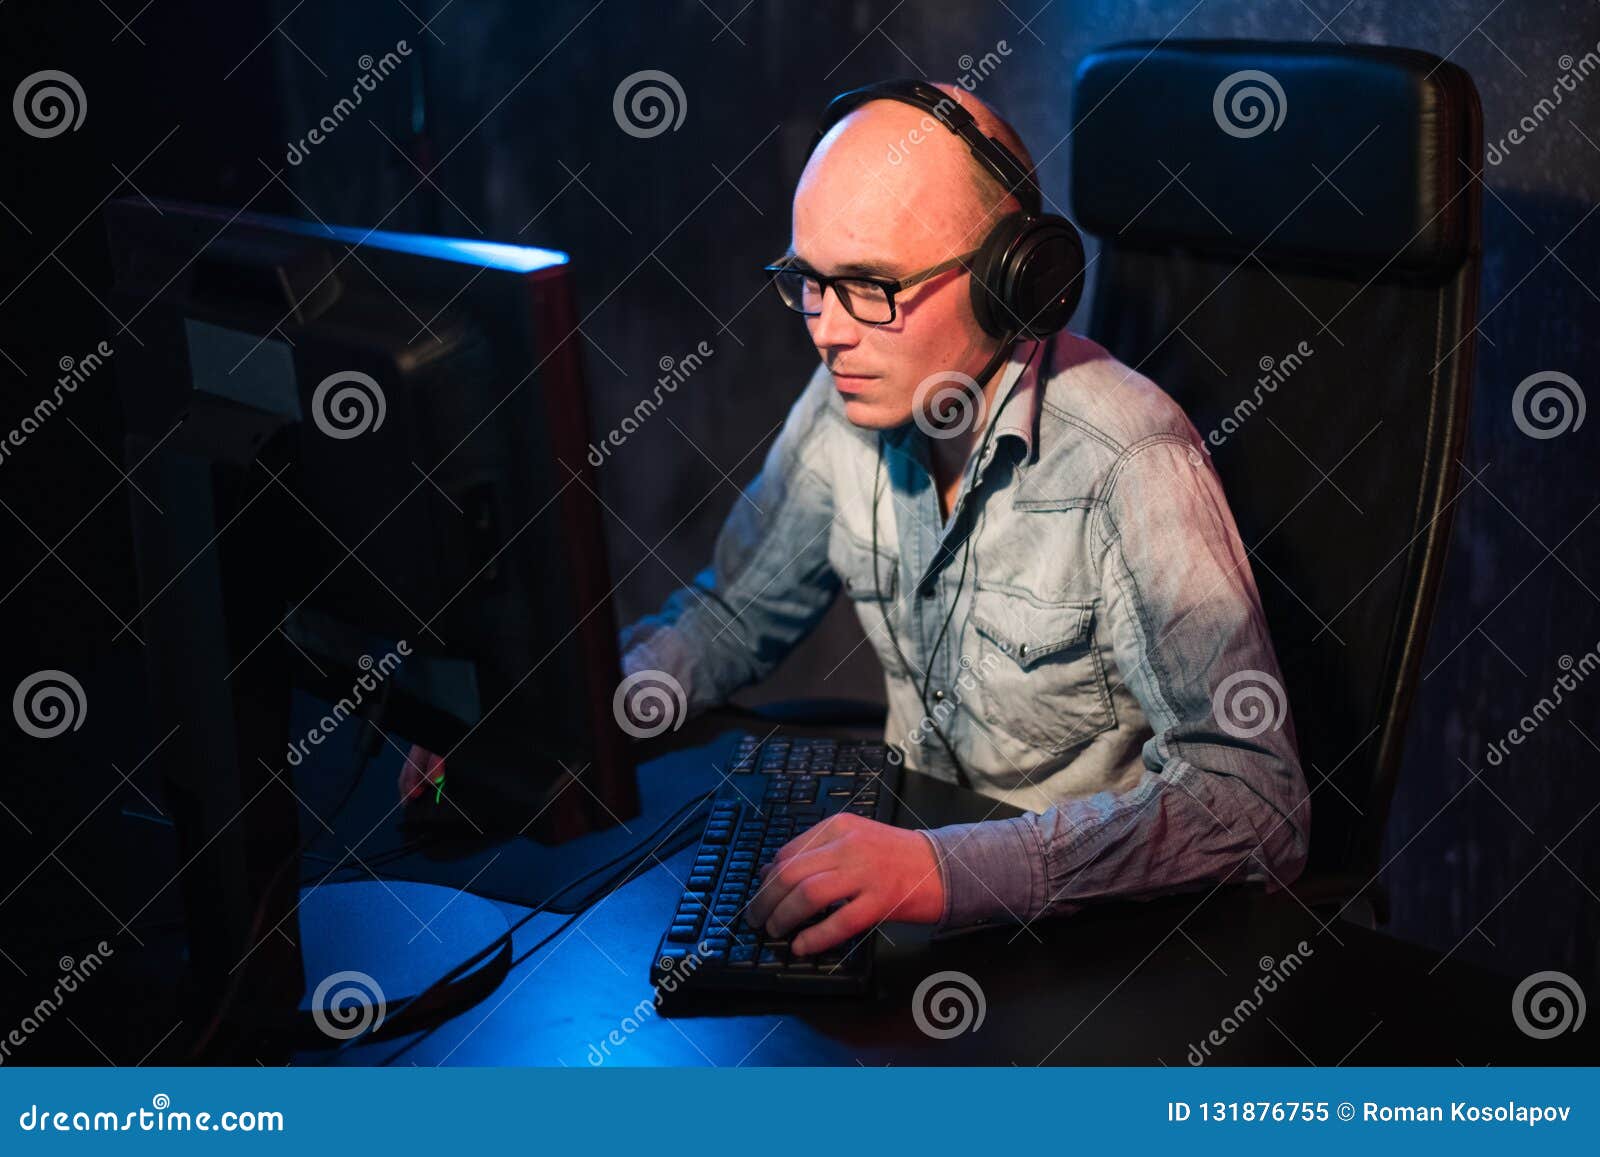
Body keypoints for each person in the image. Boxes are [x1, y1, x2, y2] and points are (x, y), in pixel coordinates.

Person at [404, 81, 1309, 958]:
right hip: (913, 894)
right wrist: (553, 727)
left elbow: (1255, 803)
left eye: (870, 285)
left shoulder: (1132, 460)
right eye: (810, 281)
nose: (828, 330)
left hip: (1095, 953)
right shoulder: (851, 398)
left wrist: (948, 871)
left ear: (1013, 280)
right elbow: (733, 616)